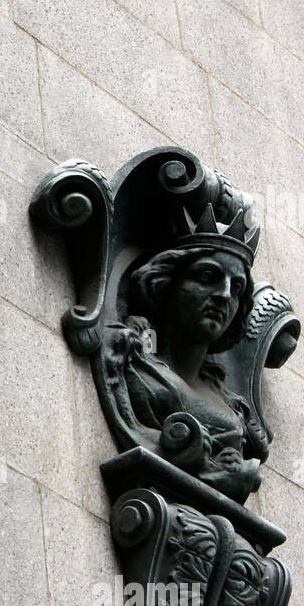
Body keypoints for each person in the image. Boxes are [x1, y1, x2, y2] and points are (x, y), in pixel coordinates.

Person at [102, 205, 267, 503]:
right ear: (166, 282)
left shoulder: (231, 407)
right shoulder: (133, 360)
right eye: (207, 276)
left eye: (237, 287)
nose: (224, 294)